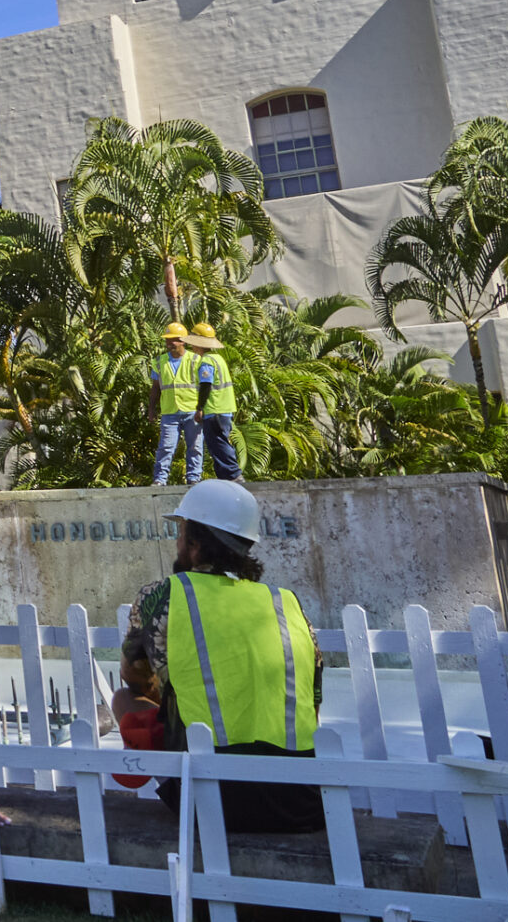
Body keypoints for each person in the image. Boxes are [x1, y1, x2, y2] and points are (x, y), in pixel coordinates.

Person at [114, 479, 321, 831]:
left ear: (195, 545)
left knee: (124, 698)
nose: (176, 543)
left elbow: (135, 677)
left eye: (180, 533)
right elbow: (313, 698)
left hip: (211, 800)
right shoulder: (286, 602)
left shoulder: (164, 596)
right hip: (300, 802)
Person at [148, 323, 213, 486]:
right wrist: (151, 409)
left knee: (195, 446)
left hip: (192, 410)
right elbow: (155, 388)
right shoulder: (159, 361)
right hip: (170, 412)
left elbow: (205, 386)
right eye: (168, 340)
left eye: (173, 340)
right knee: (166, 447)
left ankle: (193, 478)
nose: (169, 343)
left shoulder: (196, 360)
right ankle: (160, 479)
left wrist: (203, 408)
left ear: (183, 341)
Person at [185, 322, 243, 483]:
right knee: (220, 443)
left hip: (214, 409)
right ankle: (226, 478)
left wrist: (199, 408)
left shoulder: (207, 361)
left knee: (218, 444)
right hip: (224, 409)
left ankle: (233, 475)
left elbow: (206, 385)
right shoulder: (218, 358)